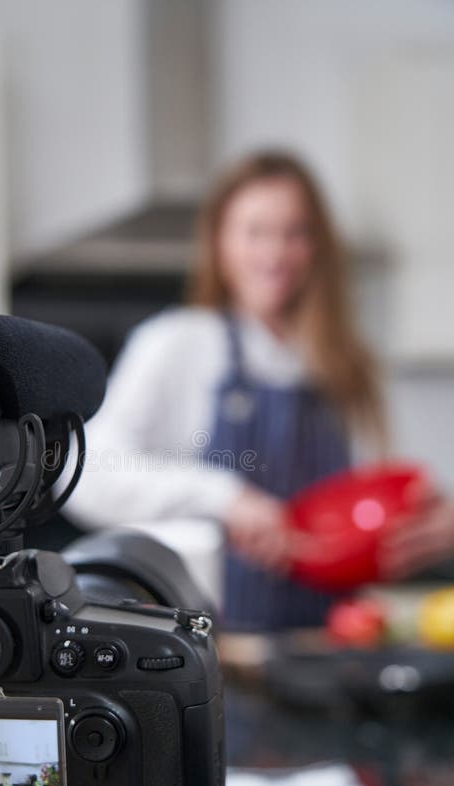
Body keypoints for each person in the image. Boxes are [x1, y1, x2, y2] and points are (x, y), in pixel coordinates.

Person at [65, 150, 454, 631]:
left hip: (331, 643)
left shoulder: (349, 363)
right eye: (255, 232)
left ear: (317, 248)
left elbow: (390, 491)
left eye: (295, 233)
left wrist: (434, 522)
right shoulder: (181, 343)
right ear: (220, 245)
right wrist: (225, 499)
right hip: (217, 649)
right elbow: (85, 473)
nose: (274, 254)